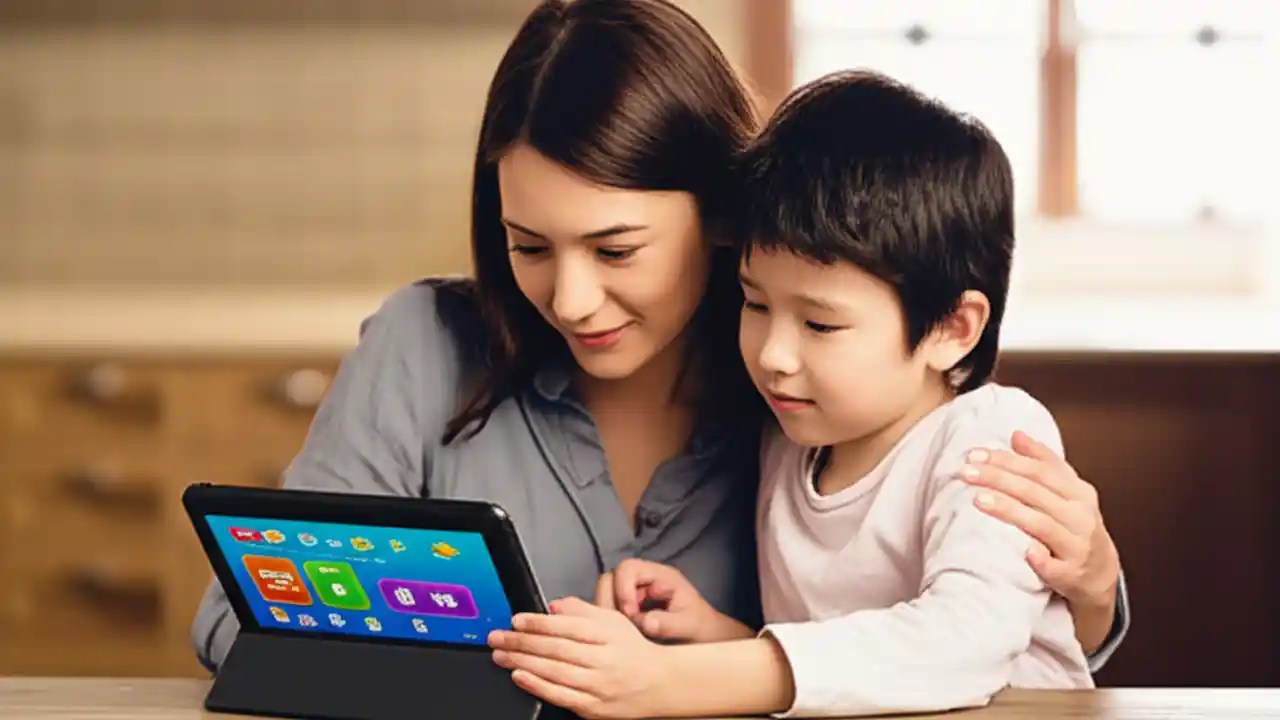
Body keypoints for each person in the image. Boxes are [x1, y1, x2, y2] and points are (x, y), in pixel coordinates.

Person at [190, 0, 1128, 680]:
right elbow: (243, 621)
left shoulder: (803, 387)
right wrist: (525, 674)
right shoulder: (424, 347)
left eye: (616, 248)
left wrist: (1090, 591)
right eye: (529, 246)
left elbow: (968, 640)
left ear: (723, 216)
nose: (572, 297)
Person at [486, 70, 1104, 718]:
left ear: (953, 329)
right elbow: (848, 677)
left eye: (819, 324)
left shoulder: (988, 438)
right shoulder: (794, 442)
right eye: (755, 303)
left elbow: (962, 645)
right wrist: (714, 637)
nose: (773, 356)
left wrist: (675, 679)